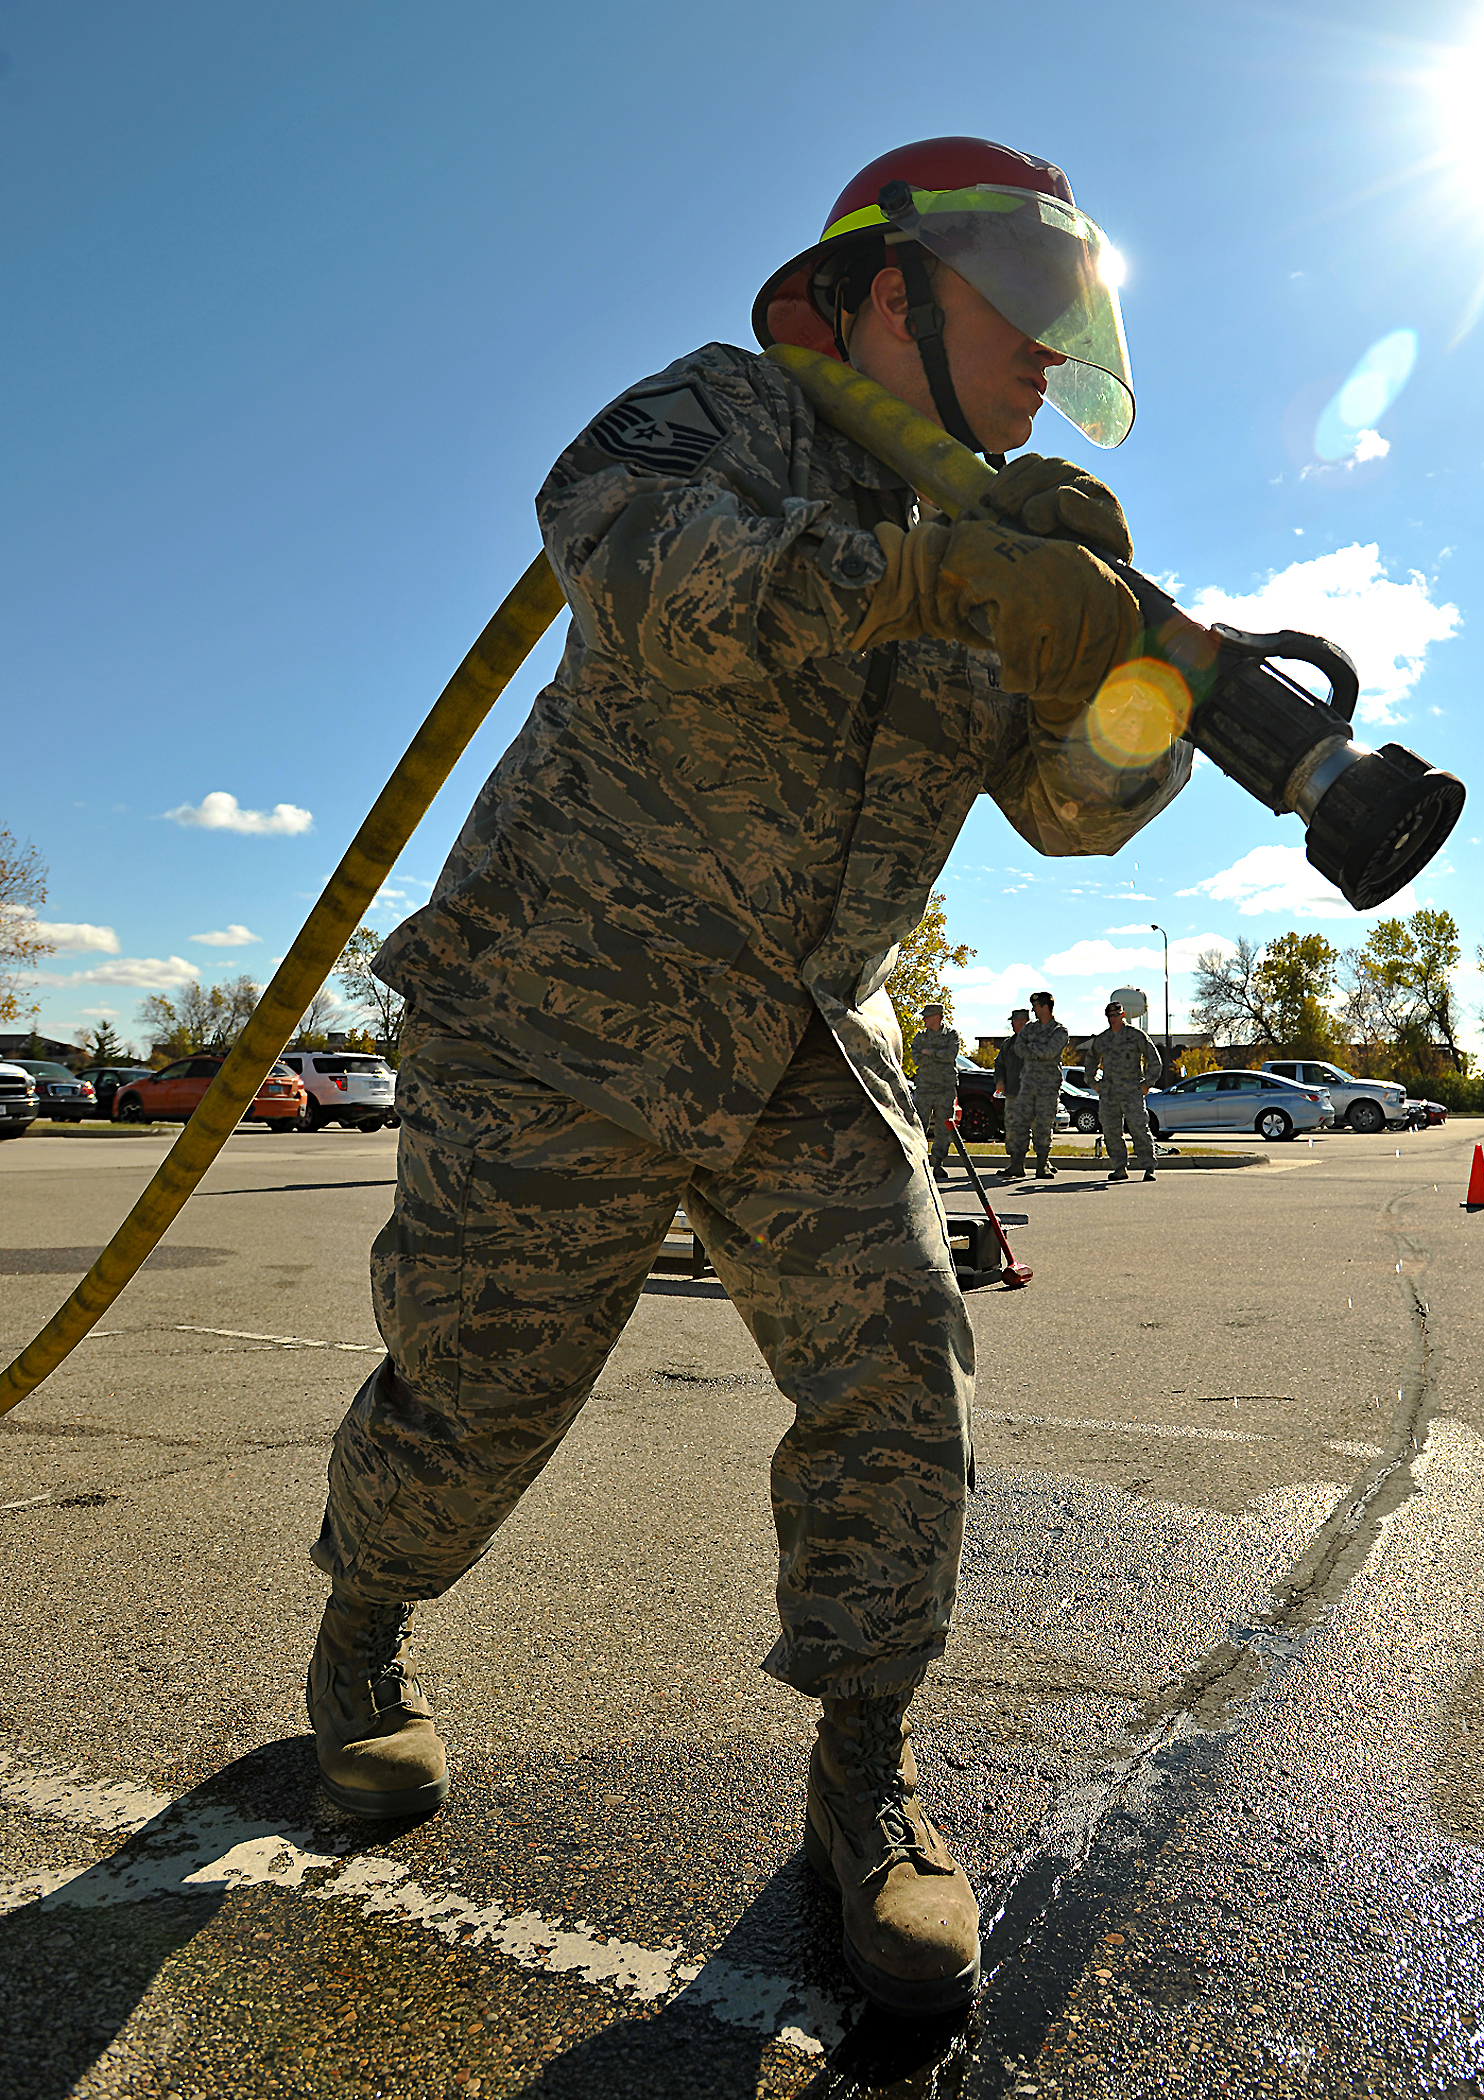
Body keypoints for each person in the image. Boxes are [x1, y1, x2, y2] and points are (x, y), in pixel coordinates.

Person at [305, 135, 1189, 2018]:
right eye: (1014, 307)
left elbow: (1069, 815)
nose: (1048, 354)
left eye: (1069, 320)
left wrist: (1138, 680)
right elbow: (650, 572)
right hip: (561, 1014)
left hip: (805, 1033)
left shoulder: (1017, 534)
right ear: (884, 295)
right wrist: (947, 574)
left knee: (899, 1372)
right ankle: (365, 1636)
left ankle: (862, 1772)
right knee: (475, 1401)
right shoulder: (717, 414)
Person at [1081, 999, 1161, 1181]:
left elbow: (1154, 1060)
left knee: (1139, 1128)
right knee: (1111, 1131)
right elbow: (1090, 1061)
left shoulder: (1136, 1035)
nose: (1113, 1019)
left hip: (1132, 1091)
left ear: (1122, 1015)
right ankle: (1119, 1167)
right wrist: (1093, 1083)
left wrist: (1147, 1083)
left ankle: (1149, 1167)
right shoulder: (1103, 1039)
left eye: (1116, 1015)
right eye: (1110, 1016)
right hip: (1109, 1093)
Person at [1001, 991, 1070, 1179]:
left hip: (1047, 1087)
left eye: (1036, 1006)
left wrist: (1031, 1048)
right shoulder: (1030, 1028)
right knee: (1020, 1123)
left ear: (1045, 1007)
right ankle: (1017, 1164)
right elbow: (1018, 1048)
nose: (1033, 1010)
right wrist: (1036, 1049)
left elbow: (1049, 1052)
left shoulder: (1059, 1031)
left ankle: (1042, 1165)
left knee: (1043, 1125)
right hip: (1027, 1083)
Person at [911, 1002, 962, 1177]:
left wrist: (930, 1053)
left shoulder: (951, 1035)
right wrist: (935, 1055)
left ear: (937, 1017)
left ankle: (938, 1163)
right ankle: (919, 1162)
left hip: (945, 1088)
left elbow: (950, 1056)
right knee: (919, 1126)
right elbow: (917, 1059)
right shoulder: (920, 1037)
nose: (924, 1020)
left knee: (943, 1127)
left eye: (927, 1016)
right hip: (924, 1087)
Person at [990, 1007, 1031, 1147]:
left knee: (1038, 1129)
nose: (1014, 1025)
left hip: (1033, 1093)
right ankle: (1014, 1161)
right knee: (1012, 1127)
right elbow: (999, 1064)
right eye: (1013, 1022)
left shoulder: (1034, 1042)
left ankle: (1042, 1162)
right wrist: (1000, 1081)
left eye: (1017, 1021)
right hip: (1013, 1092)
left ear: (1025, 1022)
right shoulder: (1008, 1044)